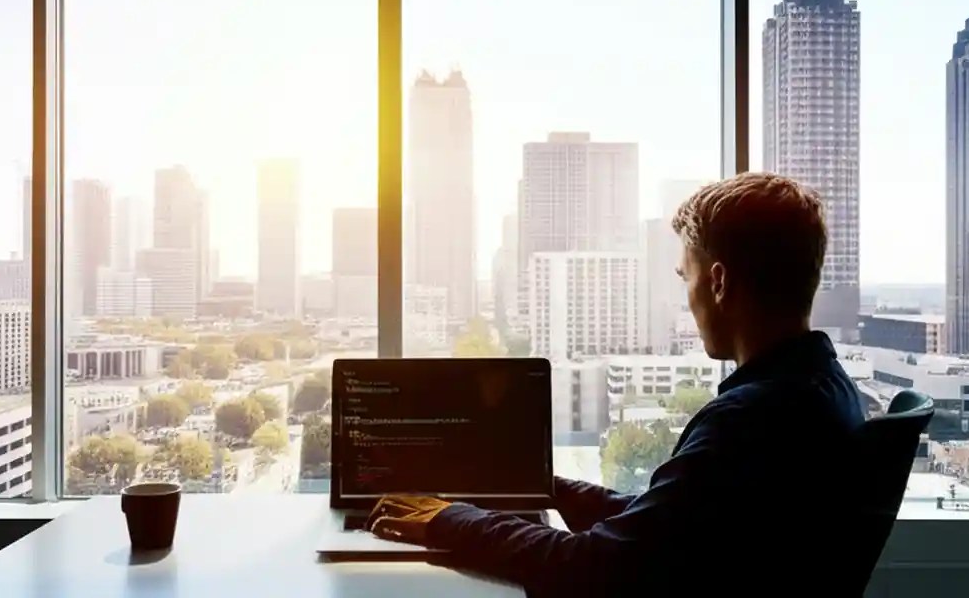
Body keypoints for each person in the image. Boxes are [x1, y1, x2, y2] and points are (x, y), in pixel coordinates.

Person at [367, 172, 865, 596]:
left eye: (683, 277)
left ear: (717, 282)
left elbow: (597, 567)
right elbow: (664, 524)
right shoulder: (821, 389)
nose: (684, 299)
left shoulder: (753, 418)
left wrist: (448, 519)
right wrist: (540, 488)